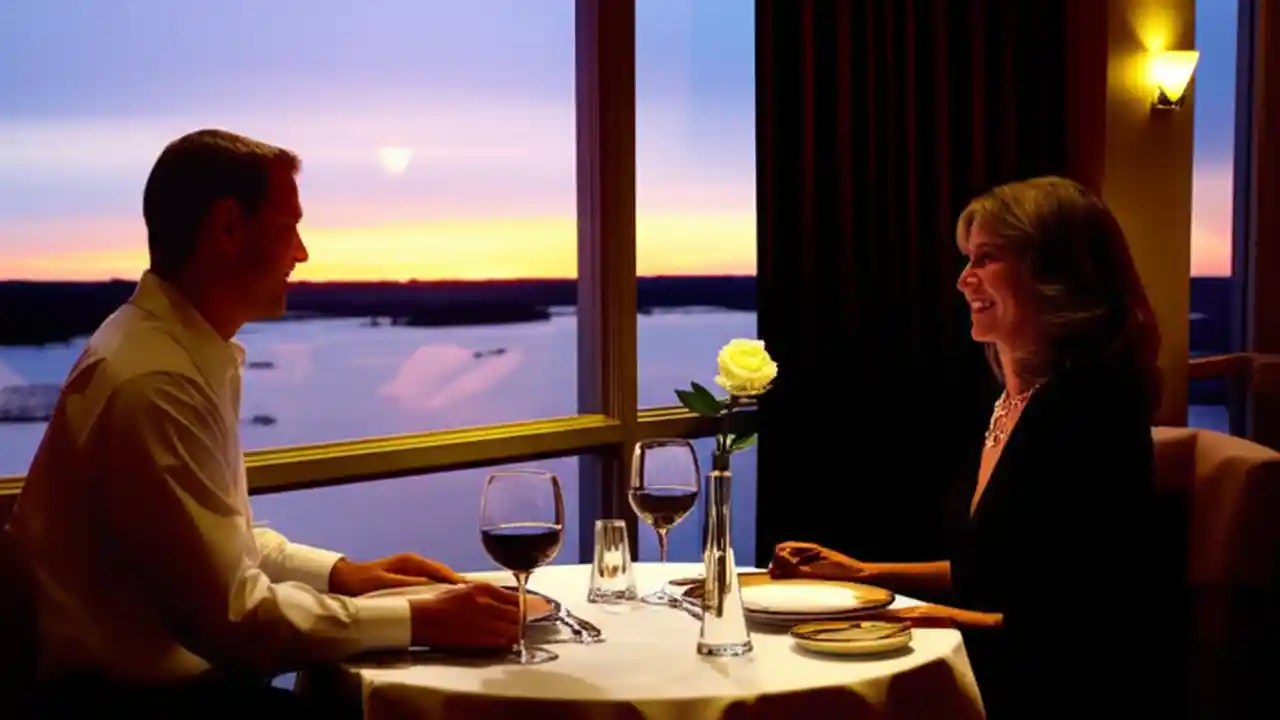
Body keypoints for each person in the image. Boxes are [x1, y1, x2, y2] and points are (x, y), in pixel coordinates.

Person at [4, 129, 522, 718]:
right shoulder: (153, 382)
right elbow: (235, 622)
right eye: (288, 226)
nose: (301, 253)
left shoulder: (166, 350)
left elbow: (206, 548)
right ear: (228, 228)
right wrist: (419, 617)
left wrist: (343, 575)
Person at [771, 176, 1180, 718]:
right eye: (968, 258)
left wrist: (930, 618)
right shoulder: (1019, 401)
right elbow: (1002, 570)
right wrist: (863, 573)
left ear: (1053, 273)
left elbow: (1087, 618)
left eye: (986, 258)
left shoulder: (1091, 410)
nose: (964, 279)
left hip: (1054, 692)